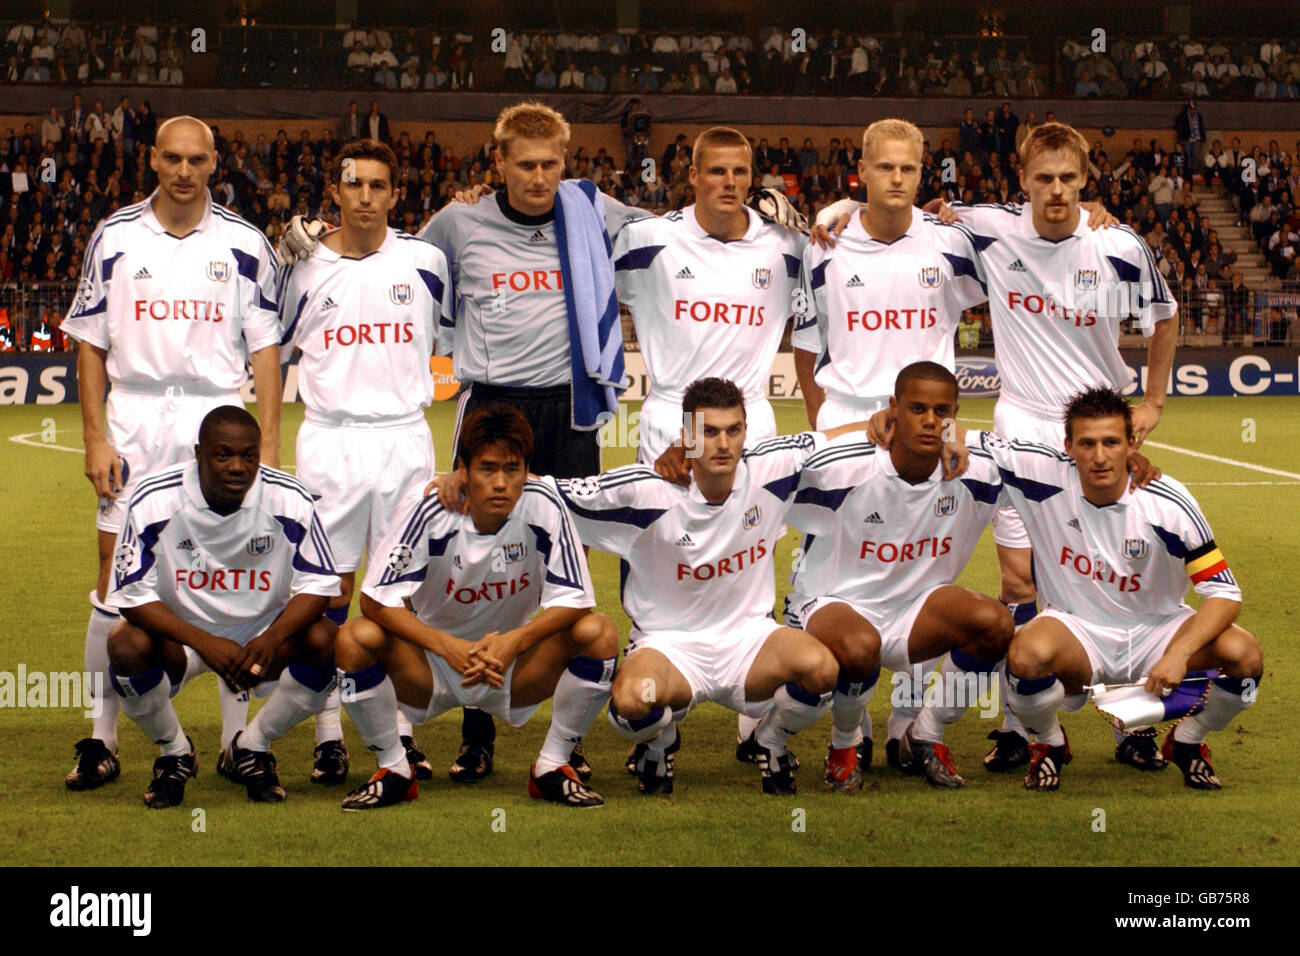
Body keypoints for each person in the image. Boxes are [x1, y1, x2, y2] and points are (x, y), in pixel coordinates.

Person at [278, 101, 651, 781]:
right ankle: (476, 732)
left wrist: (808, 226)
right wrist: (307, 237)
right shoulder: (458, 221)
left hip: (569, 406)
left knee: (563, 559)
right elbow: (383, 261)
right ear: (498, 163)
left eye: (550, 165)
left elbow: (685, 234)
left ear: (566, 163)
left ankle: (570, 726)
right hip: (491, 402)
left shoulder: (592, 210)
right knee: (474, 561)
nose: (539, 178)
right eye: (525, 164)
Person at [816, 121, 1180, 774]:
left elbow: (1164, 314)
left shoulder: (1119, 244)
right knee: (1019, 582)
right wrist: (840, 207)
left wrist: (1152, 402)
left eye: (1070, 179)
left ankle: (1135, 726)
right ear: (1022, 179)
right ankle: (1019, 727)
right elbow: (907, 214)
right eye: (1044, 179)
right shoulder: (989, 228)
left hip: (1096, 435)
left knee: (1116, 582)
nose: (1058, 191)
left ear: (1086, 179)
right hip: (1021, 430)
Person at [61, 115, 284, 792]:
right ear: (152, 161)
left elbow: (267, 349)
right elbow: (90, 344)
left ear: (215, 163)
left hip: (216, 413)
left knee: (230, 571)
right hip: (134, 415)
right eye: (172, 158)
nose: (184, 171)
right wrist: (95, 434)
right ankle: (101, 740)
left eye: (197, 160)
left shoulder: (245, 243)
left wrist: (268, 445)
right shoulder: (116, 235)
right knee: (113, 574)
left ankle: (235, 739)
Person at [551, 378, 872, 796]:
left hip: (750, 643)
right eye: (709, 432)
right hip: (670, 649)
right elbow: (552, 494)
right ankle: (662, 741)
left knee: (822, 671)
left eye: (733, 430)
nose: (723, 444)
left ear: (746, 431)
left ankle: (770, 741)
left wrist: (887, 420)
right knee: (631, 704)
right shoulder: (646, 490)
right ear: (685, 437)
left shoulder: (772, 468)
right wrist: (457, 484)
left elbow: (832, 438)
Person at [967, 388, 1262, 790]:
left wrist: (1178, 654)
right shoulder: (1040, 474)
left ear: (1131, 445)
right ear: (1068, 445)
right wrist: (879, 422)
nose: (1100, 456)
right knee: (1025, 655)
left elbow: (1224, 593)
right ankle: (1049, 743)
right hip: (1077, 632)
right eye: (1087, 444)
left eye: (1111, 443)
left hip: (1156, 630)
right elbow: (949, 434)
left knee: (1244, 658)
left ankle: (1188, 740)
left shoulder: (1168, 504)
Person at [276, 139, 453, 786]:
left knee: (400, 593)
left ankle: (401, 731)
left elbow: (458, 337)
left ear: (395, 193)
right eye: (356, 186)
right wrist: (277, 253)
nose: (368, 197)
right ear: (337, 192)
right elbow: (268, 344)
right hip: (330, 441)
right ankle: (328, 735)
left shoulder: (427, 262)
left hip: (406, 439)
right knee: (327, 593)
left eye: (380, 185)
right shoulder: (302, 269)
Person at [336, 404, 617, 809]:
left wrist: (515, 642)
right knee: (353, 638)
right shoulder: (429, 507)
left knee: (600, 634)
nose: (501, 483)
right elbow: (375, 599)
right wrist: (447, 647)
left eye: (512, 468)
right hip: (431, 666)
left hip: (510, 667)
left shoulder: (544, 505)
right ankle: (394, 767)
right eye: (487, 469)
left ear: (527, 471)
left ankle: (552, 766)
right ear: (463, 471)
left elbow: (576, 600)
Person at [785, 363, 1012, 789]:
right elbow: (760, 459)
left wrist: (1129, 457)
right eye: (916, 409)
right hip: (834, 606)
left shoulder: (977, 470)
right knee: (860, 645)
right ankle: (845, 743)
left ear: (955, 416)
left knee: (996, 624)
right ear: (893, 409)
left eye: (941, 412)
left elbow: (1062, 463)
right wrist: (687, 446)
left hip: (914, 615)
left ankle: (925, 734)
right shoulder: (845, 465)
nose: (930, 421)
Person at [104, 407, 341, 807]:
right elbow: (130, 597)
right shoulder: (154, 499)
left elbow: (321, 586)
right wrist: (206, 642)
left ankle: (252, 746)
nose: (237, 467)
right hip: (182, 636)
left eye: (248, 456)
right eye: (223, 455)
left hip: (262, 637)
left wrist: (272, 637)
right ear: (198, 454)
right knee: (125, 645)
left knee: (328, 640)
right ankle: (175, 753)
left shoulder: (289, 497)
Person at [612, 127, 806, 464]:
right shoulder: (648, 240)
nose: (729, 182)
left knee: (755, 517)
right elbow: (576, 231)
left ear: (751, 180)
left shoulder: (788, 246)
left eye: (739, 172)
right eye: (717, 171)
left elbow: (853, 243)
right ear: (694, 175)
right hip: (671, 421)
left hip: (749, 423)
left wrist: (832, 215)